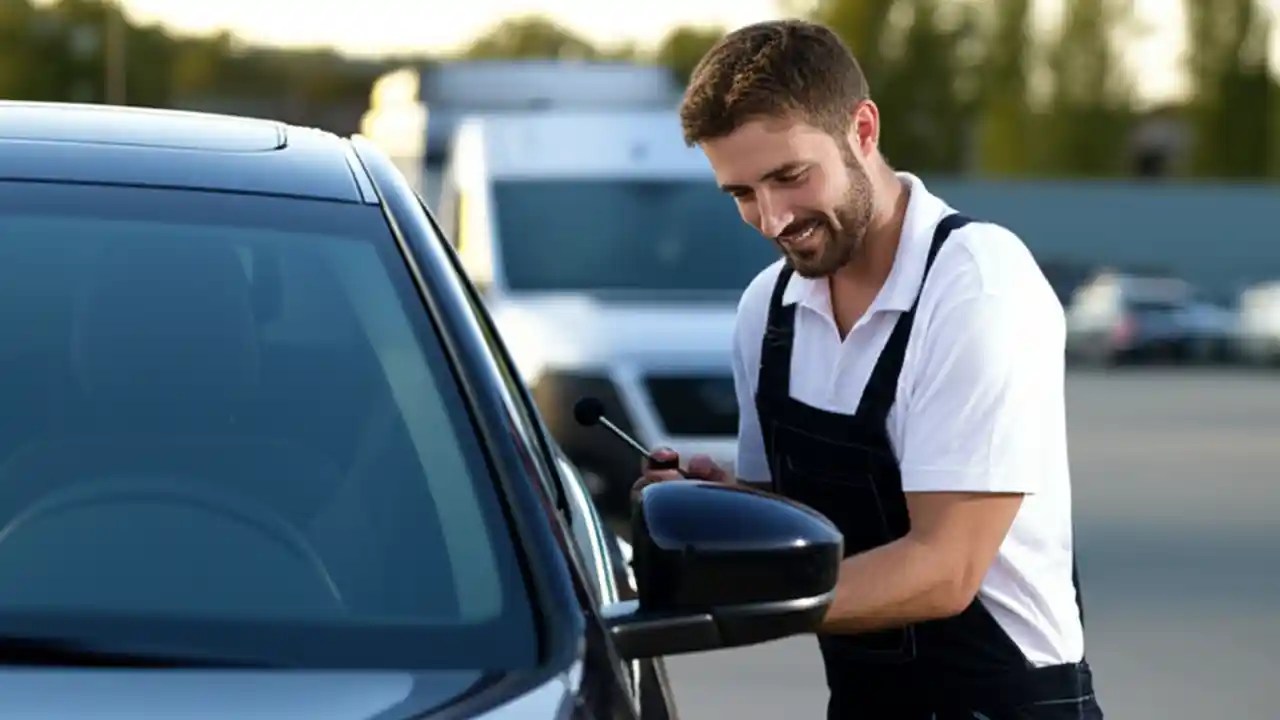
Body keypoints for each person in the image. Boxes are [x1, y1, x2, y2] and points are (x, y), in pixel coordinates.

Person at [636, 18, 1104, 720]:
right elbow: (799, 526)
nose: (773, 219)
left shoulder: (975, 284)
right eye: (741, 193)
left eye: (790, 177)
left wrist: (732, 597)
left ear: (861, 129)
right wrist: (715, 509)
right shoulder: (768, 310)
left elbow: (946, 570)